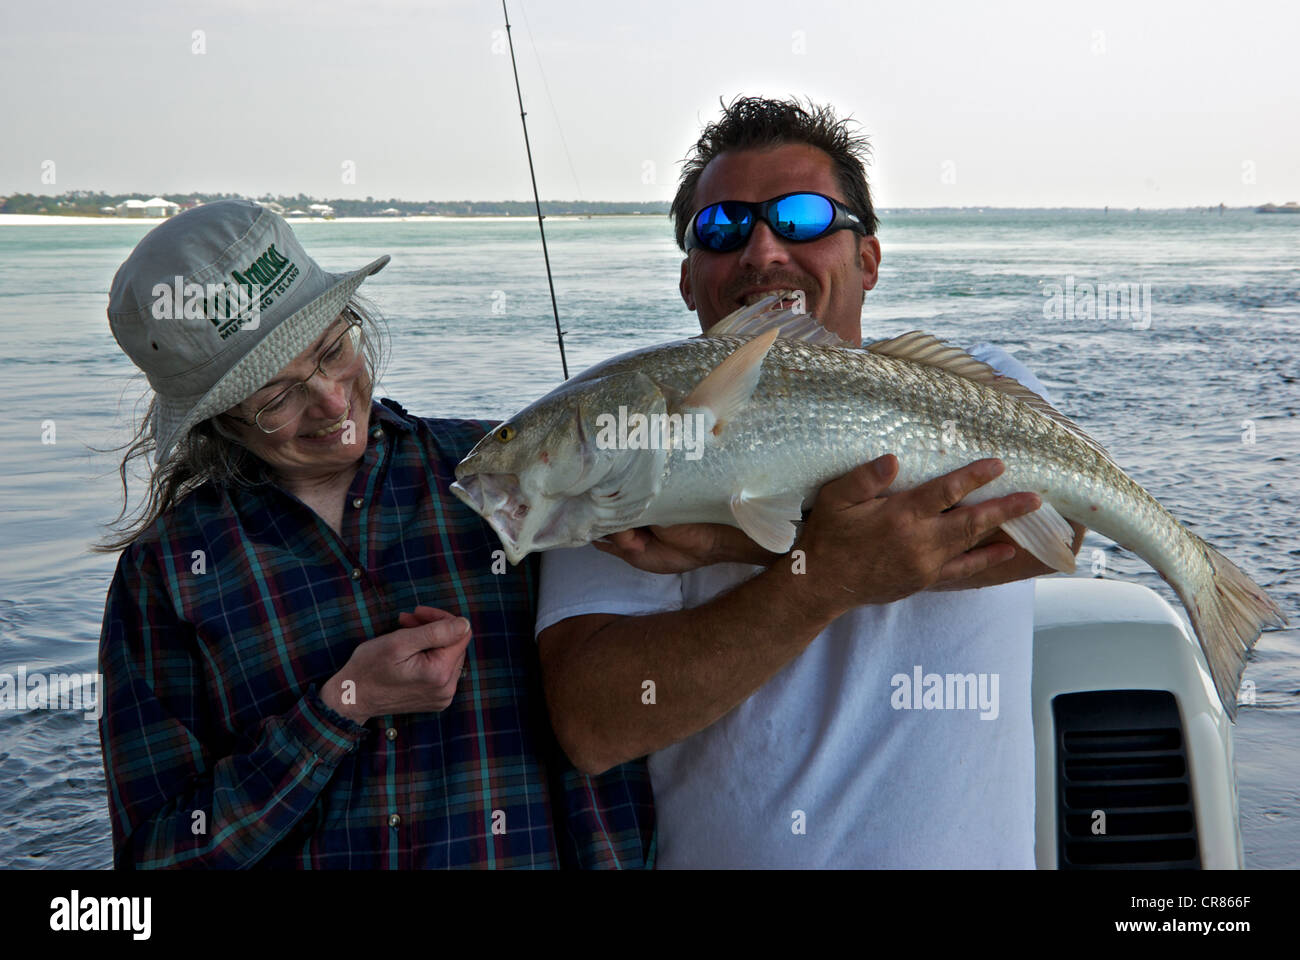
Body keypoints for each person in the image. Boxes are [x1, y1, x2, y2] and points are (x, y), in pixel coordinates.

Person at [535, 97, 1086, 868]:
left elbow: (1055, 532)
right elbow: (593, 726)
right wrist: (816, 580)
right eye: (722, 228)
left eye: (801, 217)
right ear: (690, 280)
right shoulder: (626, 433)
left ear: (867, 259)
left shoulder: (982, 389)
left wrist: (732, 549)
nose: (762, 252)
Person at [95, 199, 652, 868]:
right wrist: (337, 710)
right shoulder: (167, 576)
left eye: (335, 349)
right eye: (276, 396)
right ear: (218, 420)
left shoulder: (507, 472)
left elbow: (604, 759)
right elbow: (157, 856)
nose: (332, 400)